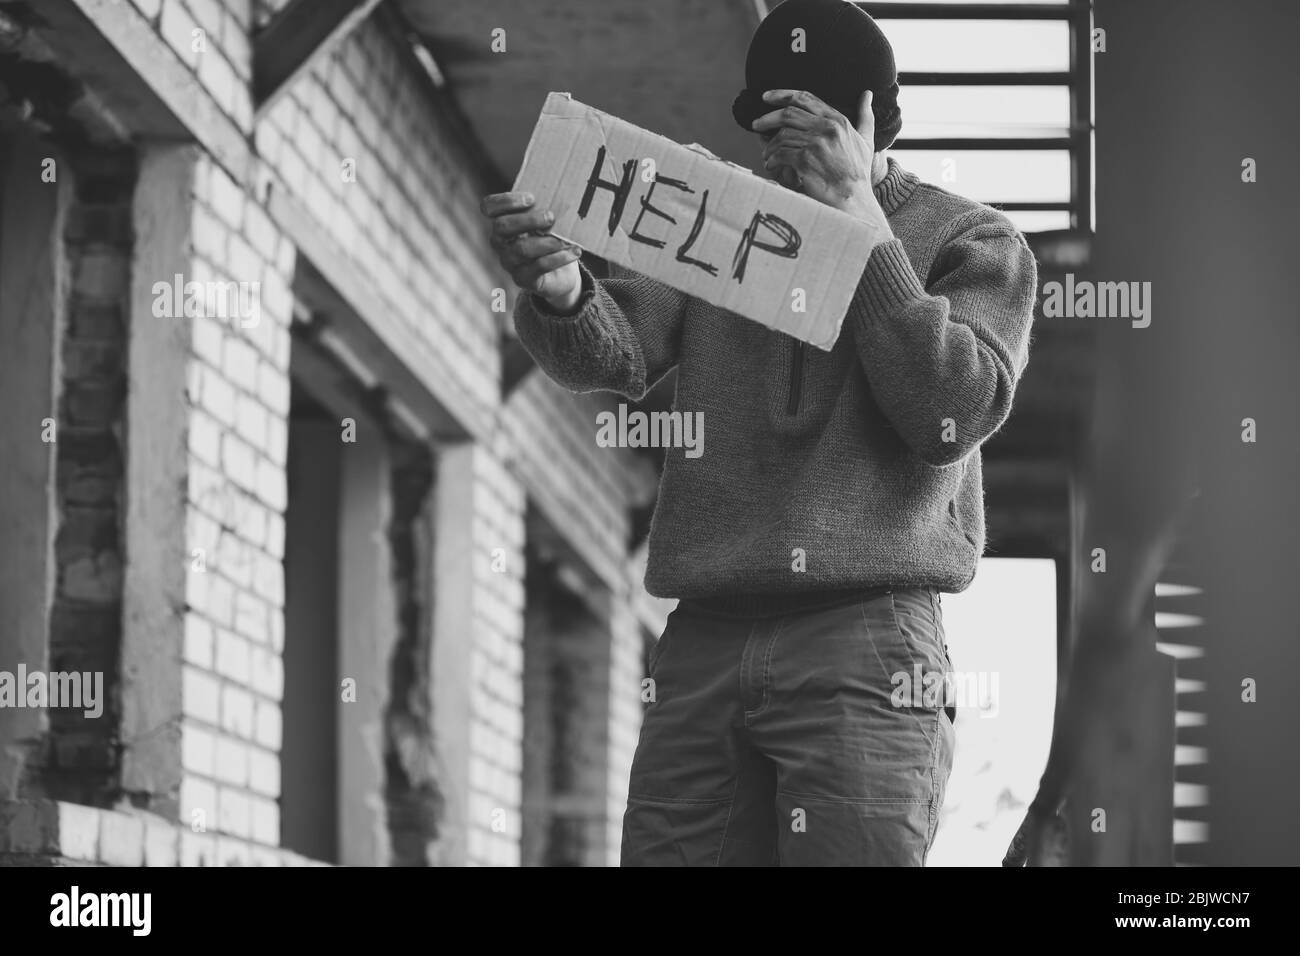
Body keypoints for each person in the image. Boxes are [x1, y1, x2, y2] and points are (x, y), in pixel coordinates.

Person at [480, 0, 1037, 865]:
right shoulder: (725, 217)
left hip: (867, 634)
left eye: (806, 122)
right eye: (766, 122)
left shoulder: (973, 239)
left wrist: (859, 221)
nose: (780, 146)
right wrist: (561, 291)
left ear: (867, 121)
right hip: (706, 630)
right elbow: (617, 352)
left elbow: (950, 411)